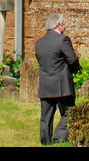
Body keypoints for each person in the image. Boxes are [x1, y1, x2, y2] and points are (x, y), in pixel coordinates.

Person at [34, 12, 80, 144]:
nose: (65, 27)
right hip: (62, 84)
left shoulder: (39, 43)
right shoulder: (62, 40)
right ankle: (59, 137)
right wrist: (74, 70)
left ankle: (45, 141)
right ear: (58, 25)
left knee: (46, 117)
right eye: (64, 24)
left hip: (46, 84)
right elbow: (72, 59)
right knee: (68, 113)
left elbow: (41, 61)